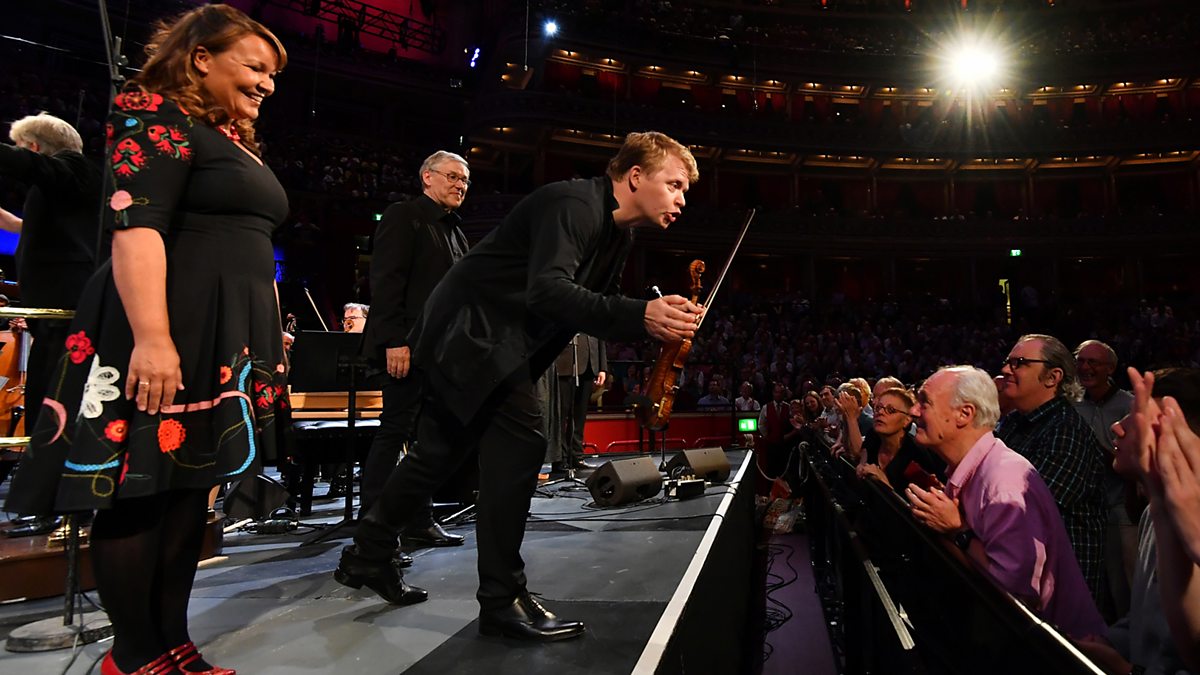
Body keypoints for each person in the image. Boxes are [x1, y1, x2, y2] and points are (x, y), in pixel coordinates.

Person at [5, 6, 289, 674]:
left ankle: (173, 641)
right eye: (254, 66)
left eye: (271, 73)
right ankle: (132, 655)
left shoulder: (229, 139)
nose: (267, 84)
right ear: (200, 57)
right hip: (160, 327)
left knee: (188, 489)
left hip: (217, 337)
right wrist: (153, 338)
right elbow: (137, 230)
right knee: (139, 487)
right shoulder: (152, 111)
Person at [335, 131, 702, 642]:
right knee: (520, 446)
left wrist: (653, 313)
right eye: (676, 184)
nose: (683, 199)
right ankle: (500, 599)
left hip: (489, 341)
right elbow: (549, 291)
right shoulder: (573, 204)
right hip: (472, 337)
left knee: (439, 452)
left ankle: (366, 554)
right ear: (635, 176)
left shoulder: (618, 234)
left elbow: (594, 300)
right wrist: (640, 315)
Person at [905, 367, 1106, 640]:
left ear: (965, 414)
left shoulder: (1003, 481)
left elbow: (1014, 595)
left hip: (1057, 653)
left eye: (924, 402)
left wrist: (957, 530)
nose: (914, 411)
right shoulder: (980, 468)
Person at [357, 150, 471, 549]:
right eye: (453, 177)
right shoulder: (405, 216)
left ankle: (419, 519)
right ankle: (372, 527)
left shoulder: (455, 231)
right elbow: (387, 282)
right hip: (407, 347)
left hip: (441, 353)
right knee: (395, 433)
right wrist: (395, 342)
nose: (460, 185)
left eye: (465, 181)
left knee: (427, 439)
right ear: (427, 177)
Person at [0, 113, 101, 534]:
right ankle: (49, 503)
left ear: (35, 149)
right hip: (54, 313)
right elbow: (47, 228)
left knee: (58, 403)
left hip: (66, 313)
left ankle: (64, 506)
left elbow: (28, 167)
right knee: (48, 400)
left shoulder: (75, 169)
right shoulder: (68, 188)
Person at [1074, 367, 1200, 675]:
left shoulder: (1188, 520)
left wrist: (1129, 671)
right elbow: (1143, 619)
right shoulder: (1151, 513)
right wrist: (1111, 643)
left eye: (1138, 419)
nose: (1118, 427)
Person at [995, 334, 1109, 605]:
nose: (1005, 370)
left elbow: (1030, 511)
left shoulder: (1066, 431)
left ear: (1052, 377)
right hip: (1027, 580)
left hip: (1061, 591)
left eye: (1019, 363)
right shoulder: (1014, 423)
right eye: (1008, 362)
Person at [1074, 339, 1137, 619]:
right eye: (1081, 361)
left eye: (1093, 362)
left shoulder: (1130, 405)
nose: (1085, 367)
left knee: (1128, 582)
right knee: (1102, 585)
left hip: (1122, 509)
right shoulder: (1073, 406)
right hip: (1088, 511)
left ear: (1110, 368)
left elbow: (1132, 463)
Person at [854, 387, 944, 496]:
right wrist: (862, 463)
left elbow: (912, 508)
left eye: (891, 410)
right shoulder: (873, 435)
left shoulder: (917, 457)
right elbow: (865, 449)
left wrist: (885, 485)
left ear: (907, 420)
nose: (881, 412)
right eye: (878, 408)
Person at [550, 333, 605, 474]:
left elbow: (600, 336)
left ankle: (576, 455)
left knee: (580, 415)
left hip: (589, 364)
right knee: (562, 414)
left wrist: (602, 367)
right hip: (566, 363)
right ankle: (560, 458)